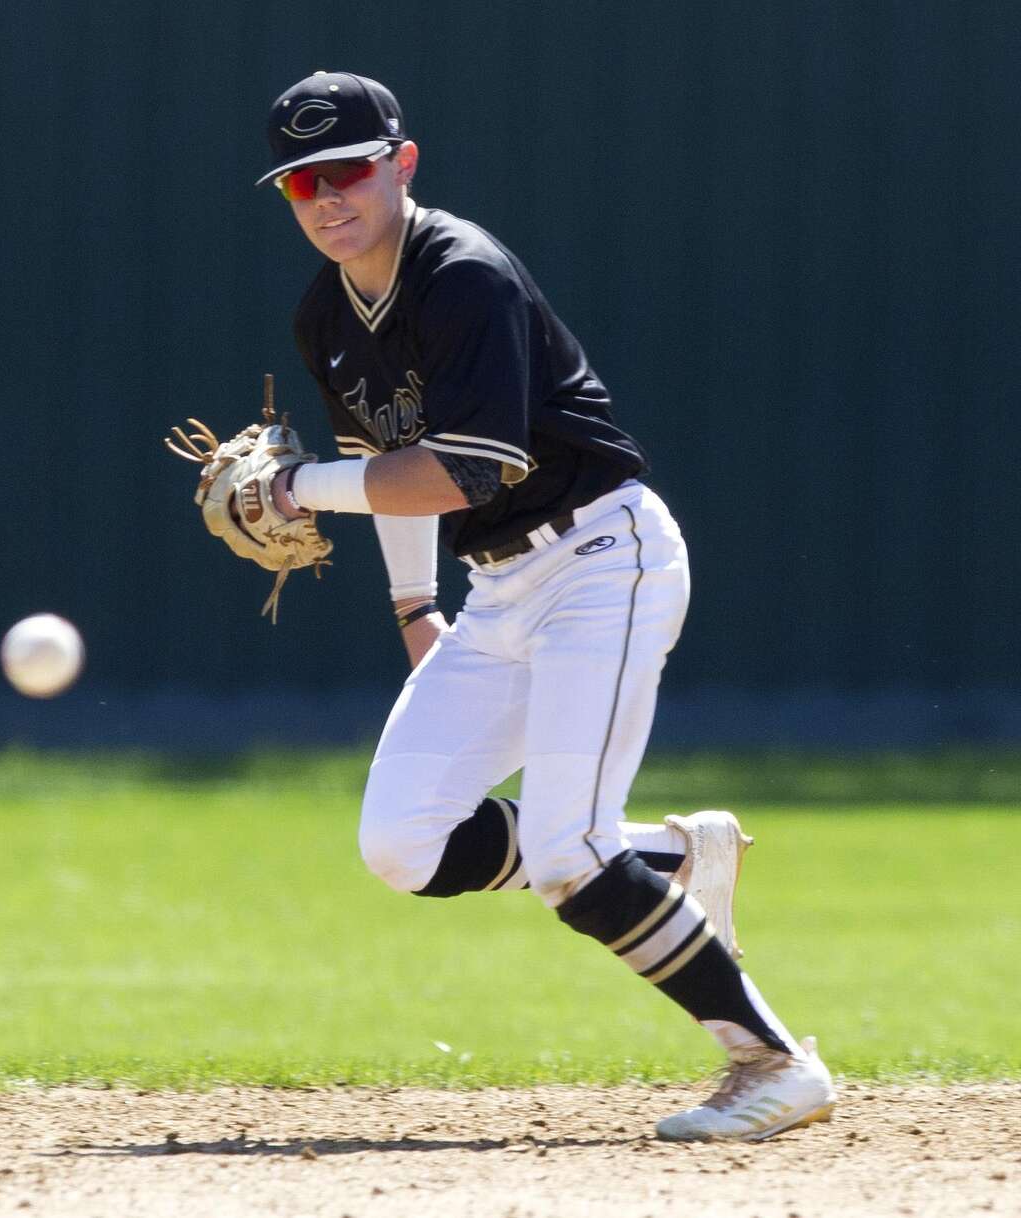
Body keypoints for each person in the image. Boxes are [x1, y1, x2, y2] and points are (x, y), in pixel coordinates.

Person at [254, 70, 836, 1141]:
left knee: (568, 856)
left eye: (346, 169)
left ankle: (774, 1063)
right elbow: (385, 460)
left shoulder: (461, 274)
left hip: (601, 563)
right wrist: (417, 608)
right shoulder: (323, 315)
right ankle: (665, 861)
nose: (326, 197)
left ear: (402, 163)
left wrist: (299, 492)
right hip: (501, 590)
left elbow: (470, 470)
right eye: (300, 182)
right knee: (405, 842)